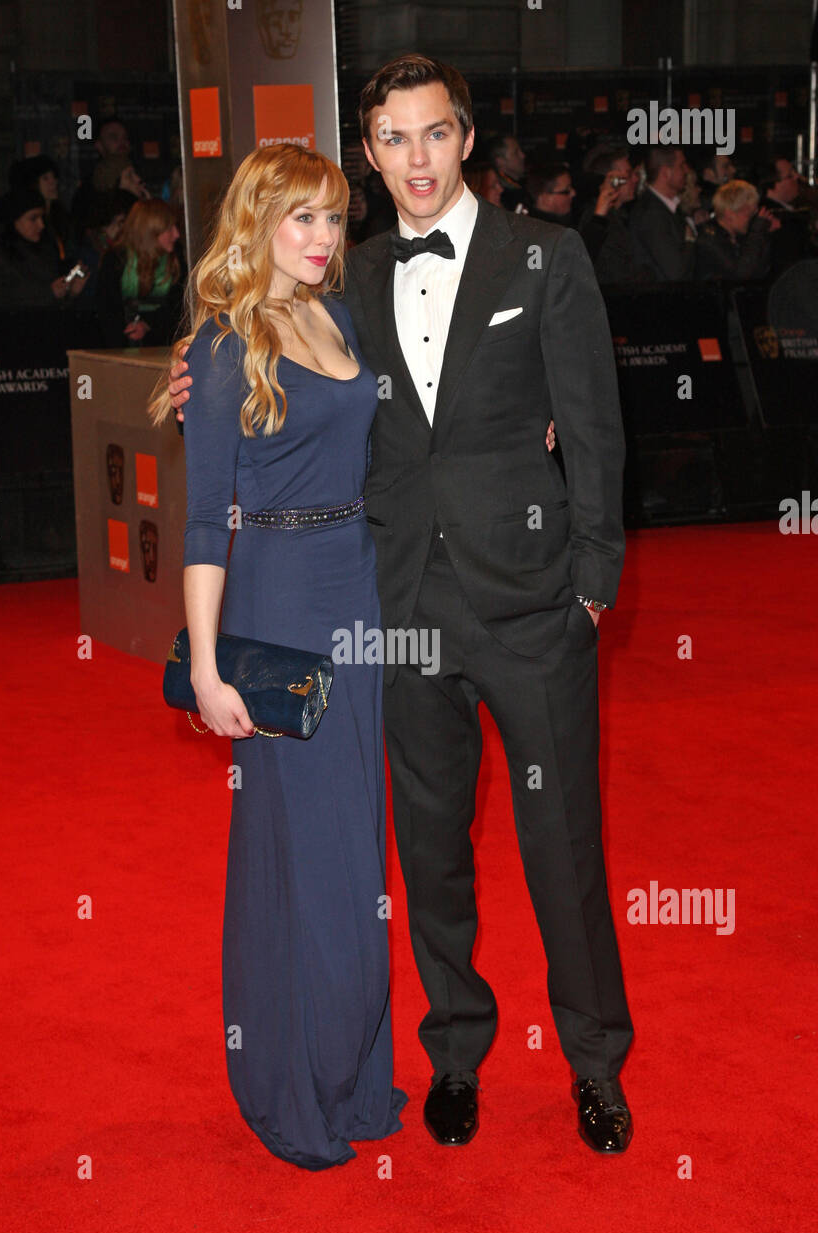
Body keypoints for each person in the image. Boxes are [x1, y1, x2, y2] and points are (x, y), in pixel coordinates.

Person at [169, 54, 634, 1156]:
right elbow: (279, 374)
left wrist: (594, 588)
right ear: (370, 152)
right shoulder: (354, 277)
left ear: (465, 140)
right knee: (428, 851)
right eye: (393, 139)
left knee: (561, 844)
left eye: (435, 135)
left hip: (532, 611)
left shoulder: (548, 258)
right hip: (397, 611)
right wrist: (198, 380)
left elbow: (599, 432)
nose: (416, 159)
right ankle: (457, 1053)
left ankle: (595, 1062)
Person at [150, 143, 408, 1170]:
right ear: (255, 220)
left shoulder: (335, 315)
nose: (320, 239)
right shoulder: (221, 347)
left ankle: (351, 1070)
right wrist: (209, 670)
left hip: (356, 584)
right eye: (300, 218)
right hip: (278, 592)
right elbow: (206, 521)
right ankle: (290, 1080)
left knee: (355, 842)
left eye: (334, 219)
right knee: (300, 852)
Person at [94, 198, 185, 347]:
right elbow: (106, 311)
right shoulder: (116, 259)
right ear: (150, 232)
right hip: (120, 348)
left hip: (164, 346)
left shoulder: (175, 258)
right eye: (169, 228)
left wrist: (149, 324)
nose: (176, 234)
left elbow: (179, 308)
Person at [0, 187, 89, 306]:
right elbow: (1, 305)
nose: (41, 225)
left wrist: (71, 293)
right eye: (33, 219)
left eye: (42, 218)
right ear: (13, 221)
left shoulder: (46, 251)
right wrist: (49, 293)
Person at [626, 146, 697, 281]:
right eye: (681, 166)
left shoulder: (669, 209)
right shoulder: (651, 214)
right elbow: (676, 271)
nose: (687, 171)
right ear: (666, 173)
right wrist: (690, 240)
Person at [696, 180, 778, 282]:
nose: (752, 220)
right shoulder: (709, 238)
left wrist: (764, 235)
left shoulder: (740, 236)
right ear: (730, 214)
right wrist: (757, 232)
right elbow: (740, 274)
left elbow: (760, 272)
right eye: (749, 215)